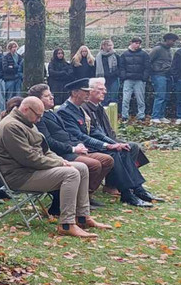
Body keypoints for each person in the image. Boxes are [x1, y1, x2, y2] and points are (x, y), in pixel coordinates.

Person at [0, 97, 109, 238]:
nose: (39, 119)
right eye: (38, 115)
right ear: (25, 109)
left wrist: (60, 160)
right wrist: (59, 164)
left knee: (81, 168)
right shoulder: (11, 127)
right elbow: (29, 159)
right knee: (71, 174)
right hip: (19, 176)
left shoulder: (27, 122)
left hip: (32, 170)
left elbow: (45, 150)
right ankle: (67, 224)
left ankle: (82, 217)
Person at [56, 78, 154, 207]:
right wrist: (108, 145)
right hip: (78, 148)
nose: (88, 94)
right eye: (85, 91)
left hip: (88, 145)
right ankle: (128, 193)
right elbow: (80, 136)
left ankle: (135, 190)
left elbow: (94, 130)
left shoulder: (79, 109)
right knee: (114, 154)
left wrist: (113, 143)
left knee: (121, 151)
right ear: (75, 93)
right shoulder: (65, 111)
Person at [27, 83, 115, 200]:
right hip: (61, 153)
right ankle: (80, 198)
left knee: (107, 160)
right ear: (37, 100)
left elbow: (67, 133)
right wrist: (73, 149)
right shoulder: (39, 118)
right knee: (94, 165)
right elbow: (48, 142)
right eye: (47, 96)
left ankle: (86, 194)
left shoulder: (52, 114)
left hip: (73, 148)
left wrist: (78, 144)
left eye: (51, 95)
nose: (52, 97)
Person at [149, 32, 178, 122]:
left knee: (165, 96)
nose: (174, 43)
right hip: (158, 75)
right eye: (173, 41)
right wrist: (152, 72)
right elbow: (148, 61)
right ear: (167, 40)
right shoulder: (157, 49)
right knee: (160, 96)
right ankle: (155, 116)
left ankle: (161, 116)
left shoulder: (169, 50)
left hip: (167, 75)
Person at [119, 36, 149, 120]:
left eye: (139, 43)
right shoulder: (124, 54)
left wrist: (144, 78)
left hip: (139, 80)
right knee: (125, 99)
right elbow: (121, 67)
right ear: (131, 43)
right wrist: (124, 76)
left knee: (141, 100)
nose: (137, 45)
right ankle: (124, 116)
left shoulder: (144, 54)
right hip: (128, 80)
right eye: (136, 43)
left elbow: (147, 67)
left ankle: (141, 116)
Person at [95, 39, 119, 108]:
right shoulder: (99, 56)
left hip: (113, 78)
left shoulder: (115, 55)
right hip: (102, 80)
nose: (110, 47)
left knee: (113, 97)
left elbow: (120, 67)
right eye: (108, 45)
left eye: (111, 45)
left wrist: (115, 74)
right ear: (103, 46)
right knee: (103, 98)